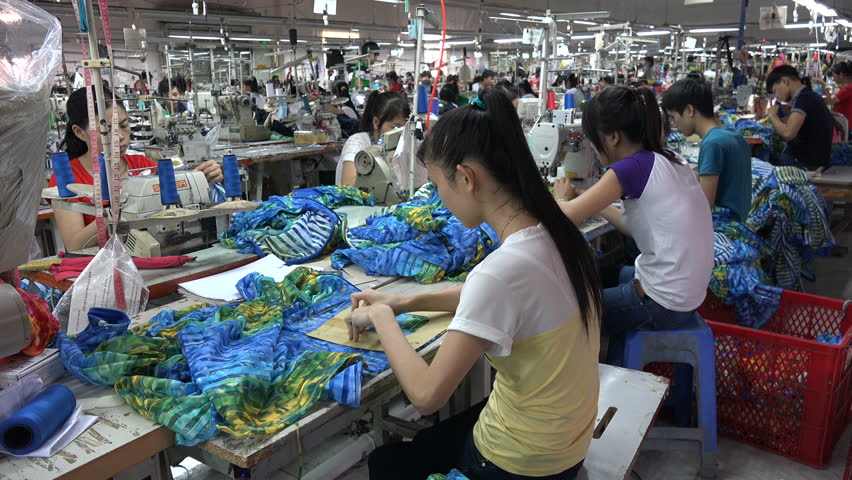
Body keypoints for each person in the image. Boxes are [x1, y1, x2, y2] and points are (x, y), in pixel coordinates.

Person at [351, 89, 601, 480]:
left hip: (518, 466)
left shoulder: (500, 272)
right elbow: (496, 296)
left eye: (438, 185)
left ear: (467, 179)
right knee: (437, 435)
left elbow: (426, 395)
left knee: (385, 462)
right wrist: (403, 302)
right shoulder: (557, 235)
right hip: (565, 448)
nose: (439, 199)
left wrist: (383, 318)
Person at [554, 85, 714, 365]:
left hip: (662, 302)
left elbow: (564, 216)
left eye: (593, 139)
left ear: (613, 137)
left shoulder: (629, 168)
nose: (592, 147)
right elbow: (635, 227)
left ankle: (601, 379)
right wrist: (586, 198)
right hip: (686, 294)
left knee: (566, 314)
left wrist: (560, 197)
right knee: (592, 271)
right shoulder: (669, 159)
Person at [49, 86, 223, 252]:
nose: (120, 137)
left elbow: (176, 204)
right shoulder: (68, 179)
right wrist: (117, 212)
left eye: (124, 125)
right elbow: (75, 245)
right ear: (79, 132)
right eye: (106, 131)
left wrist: (200, 179)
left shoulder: (143, 165)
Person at [662, 79, 753, 222]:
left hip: (724, 225)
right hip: (739, 220)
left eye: (673, 117)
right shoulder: (733, 135)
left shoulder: (712, 143)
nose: (675, 124)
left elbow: (705, 204)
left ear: (689, 110)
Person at [765, 65, 834, 172]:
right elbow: (791, 122)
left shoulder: (804, 98)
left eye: (775, 91)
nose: (776, 96)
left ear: (785, 81)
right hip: (813, 160)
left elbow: (788, 133)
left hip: (806, 165)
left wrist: (772, 116)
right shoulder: (807, 96)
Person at [336, 91, 409, 185]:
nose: (401, 133)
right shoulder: (356, 144)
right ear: (376, 122)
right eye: (395, 127)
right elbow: (348, 186)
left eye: (404, 128)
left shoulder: (400, 146)